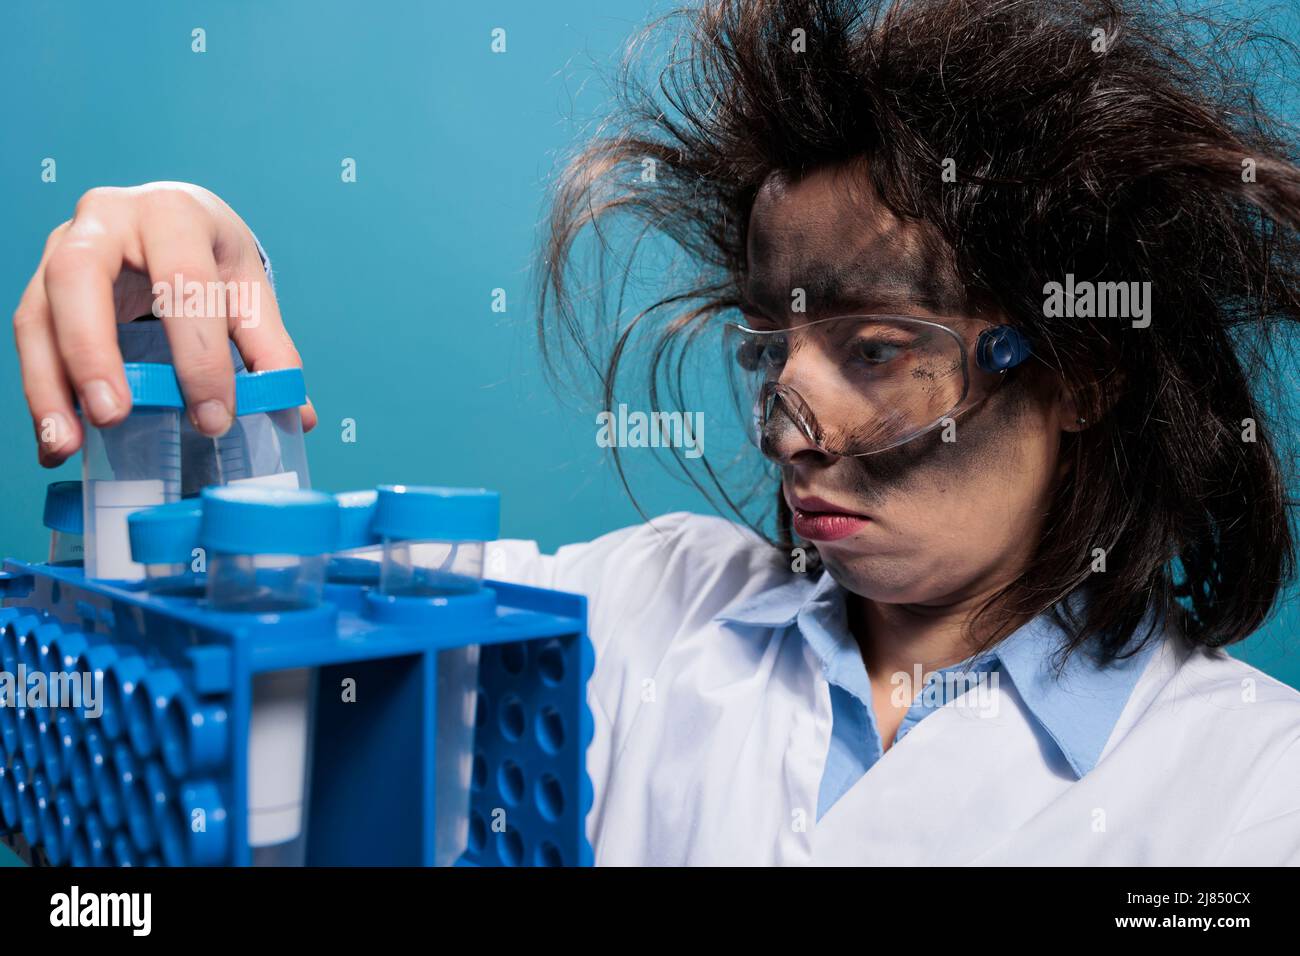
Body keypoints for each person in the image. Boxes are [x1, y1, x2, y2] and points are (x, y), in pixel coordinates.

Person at [12, 0, 1300, 864]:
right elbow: (292, 656)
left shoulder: (1252, 795)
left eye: (873, 351)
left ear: (1079, 368)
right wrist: (170, 283)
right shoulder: (643, 618)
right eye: (769, 347)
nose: (790, 429)